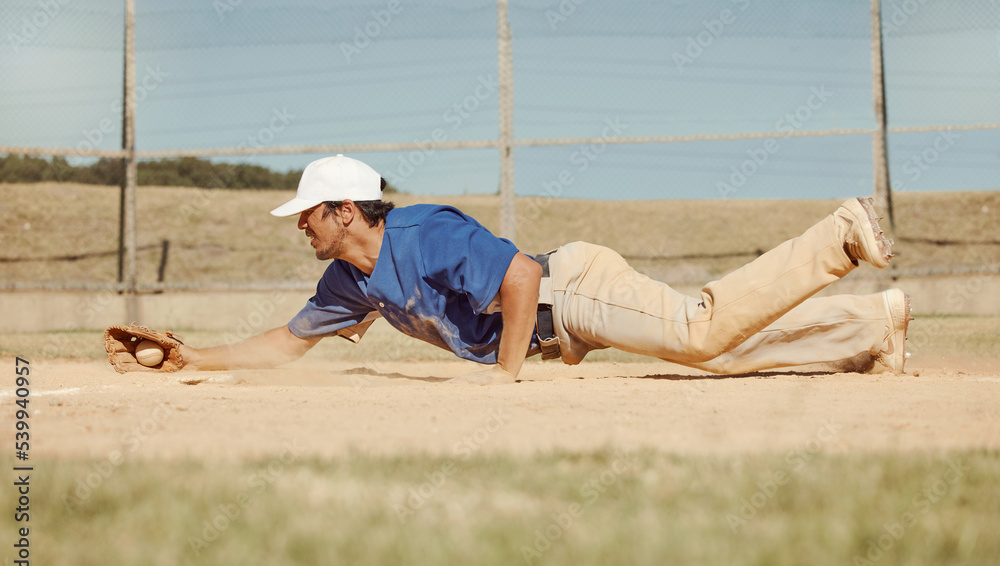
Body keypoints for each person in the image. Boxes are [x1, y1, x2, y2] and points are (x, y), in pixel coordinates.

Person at [179, 154, 910, 384]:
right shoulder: (347, 280)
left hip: (571, 288)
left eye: (307, 211)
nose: (299, 223)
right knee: (721, 354)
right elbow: (286, 343)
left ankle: (839, 236)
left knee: (700, 331)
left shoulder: (423, 231)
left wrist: (505, 379)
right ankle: (872, 327)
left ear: (345, 210)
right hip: (558, 320)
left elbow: (521, 278)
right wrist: (189, 356)